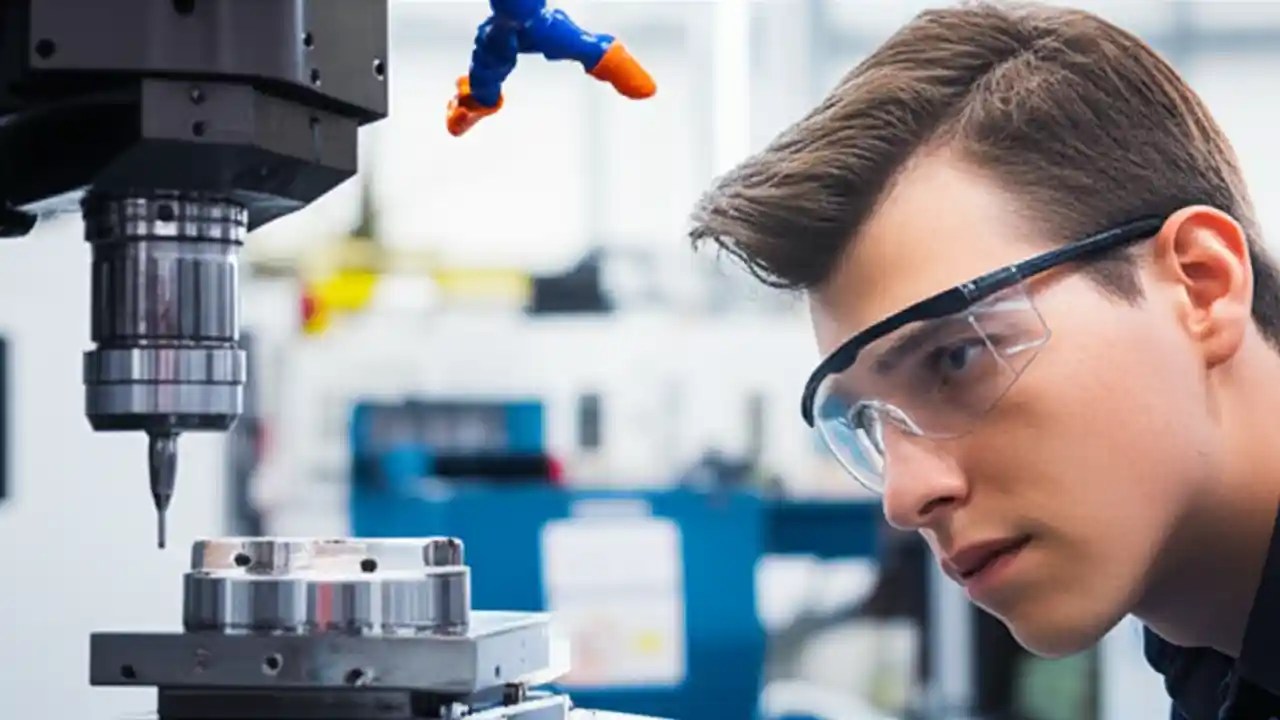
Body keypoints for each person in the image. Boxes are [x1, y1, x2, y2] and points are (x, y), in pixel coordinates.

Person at [686, 3, 1280, 719]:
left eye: (958, 357)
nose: (904, 498)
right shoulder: (1218, 664)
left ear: (1200, 285)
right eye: (868, 423)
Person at [446, 0, 656, 137]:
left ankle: (603, 54)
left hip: (530, 22)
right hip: (505, 28)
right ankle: (480, 100)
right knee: (493, 50)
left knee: (555, 35)